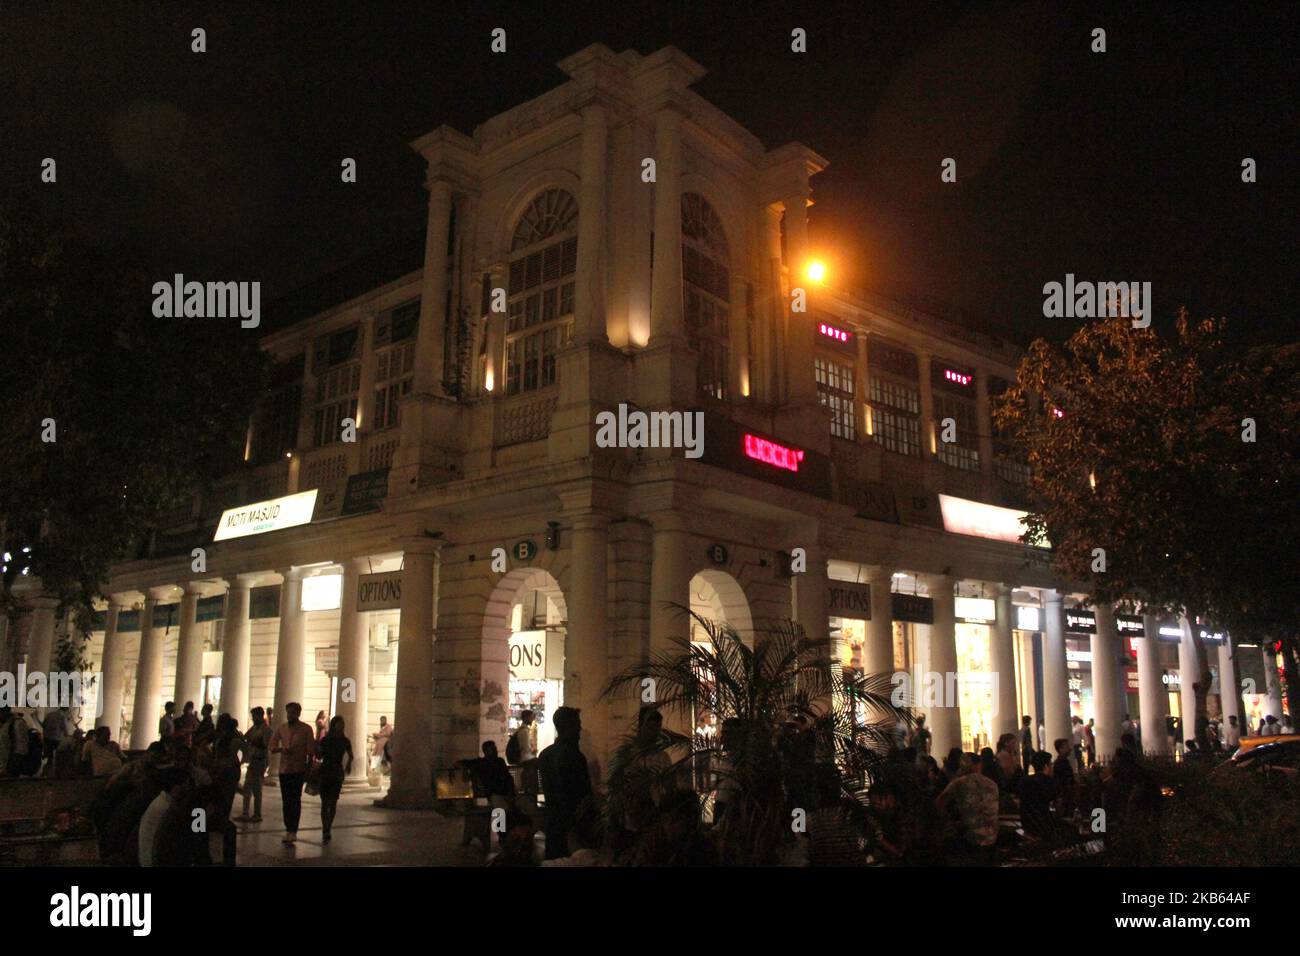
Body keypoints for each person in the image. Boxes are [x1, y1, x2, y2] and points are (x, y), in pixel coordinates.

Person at [538, 706, 592, 860]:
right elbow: (580, 795)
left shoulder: (545, 755)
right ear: (570, 727)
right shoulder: (575, 757)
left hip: (554, 824)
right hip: (573, 827)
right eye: (578, 724)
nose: (580, 729)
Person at [935, 752, 999, 862]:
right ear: (979, 765)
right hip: (992, 835)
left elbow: (939, 802)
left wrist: (949, 821)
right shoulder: (991, 783)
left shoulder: (959, 783)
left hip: (970, 836)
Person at [269, 701, 316, 844]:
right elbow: (272, 745)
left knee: (295, 800)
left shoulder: (306, 729)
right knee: (286, 800)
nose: (291, 715)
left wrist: (308, 767)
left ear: (298, 713)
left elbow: (311, 751)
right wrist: (281, 749)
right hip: (284, 769)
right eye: (289, 712)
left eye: (293, 712)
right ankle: (288, 827)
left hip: (298, 769)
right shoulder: (282, 728)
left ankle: (293, 830)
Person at [138, 767, 189, 867]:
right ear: (177, 787)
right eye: (186, 784)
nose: (188, 788)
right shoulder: (168, 809)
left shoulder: (161, 801)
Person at [315, 715, 353, 843]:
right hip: (326, 770)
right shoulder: (325, 739)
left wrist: (348, 765)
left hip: (336, 771)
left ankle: (328, 827)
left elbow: (350, 754)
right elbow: (319, 755)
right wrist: (317, 748)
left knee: (333, 801)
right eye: (337, 723)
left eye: (341, 724)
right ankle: (325, 828)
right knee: (325, 802)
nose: (340, 726)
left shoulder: (344, 740)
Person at [238, 706, 271, 822]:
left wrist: (252, 741)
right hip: (253, 760)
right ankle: (245, 812)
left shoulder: (266, 729)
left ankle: (257, 814)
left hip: (260, 759)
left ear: (259, 715)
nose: (253, 718)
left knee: (257, 788)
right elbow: (246, 737)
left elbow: (265, 744)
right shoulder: (254, 728)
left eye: (254, 716)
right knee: (247, 786)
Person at [512, 709, 539, 793]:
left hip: (524, 760)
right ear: (526, 718)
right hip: (526, 761)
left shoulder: (521, 730)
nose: (533, 719)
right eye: (531, 717)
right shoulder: (524, 731)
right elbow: (525, 749)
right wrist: (533, 751)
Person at [41, 706, 73, 773]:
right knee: (55, 758)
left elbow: (43, 725)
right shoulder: (62, 716)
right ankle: (52, 772)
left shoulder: (50, 714)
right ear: (66, 710)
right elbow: (65, 730)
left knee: (48, 757)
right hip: (56, 739)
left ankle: (45, 772)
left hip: (46, 738)